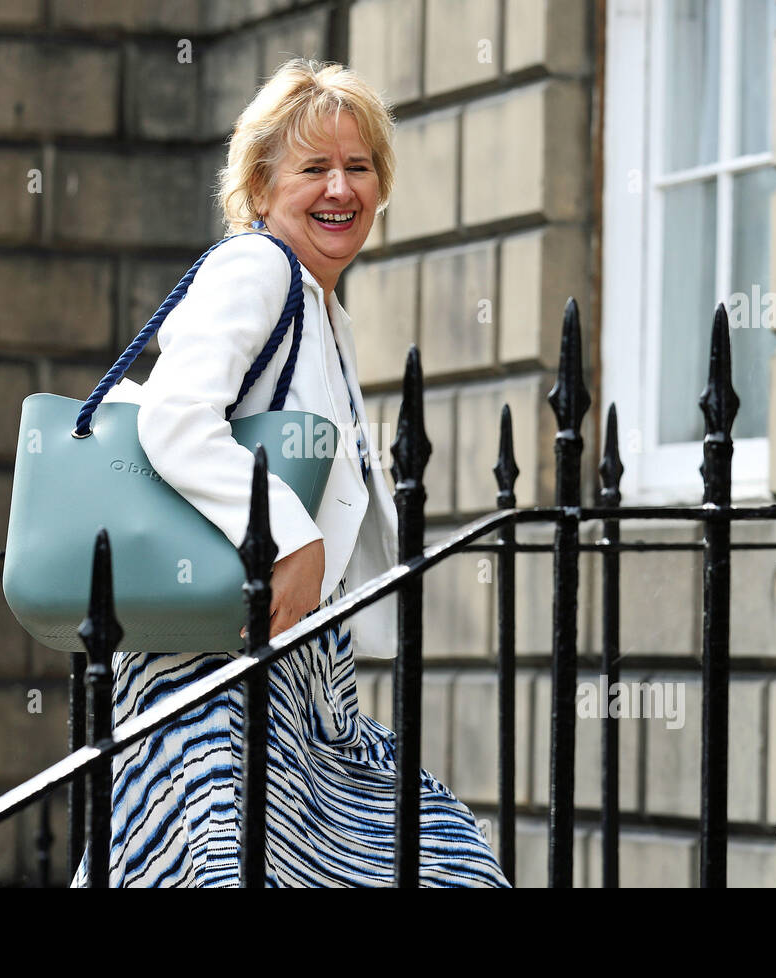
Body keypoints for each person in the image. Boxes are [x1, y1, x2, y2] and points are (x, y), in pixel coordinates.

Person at [69, 58, 509, 887]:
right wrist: (288, 534)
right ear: (263, 187)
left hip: (284, 666)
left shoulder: (316, 301)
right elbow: (173, 416)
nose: (340, 187)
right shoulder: (259, 268)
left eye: (359, 166)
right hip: (216, 660)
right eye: (313, 168)